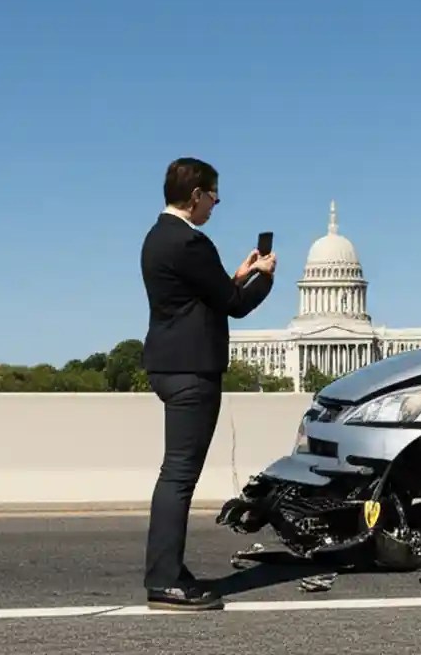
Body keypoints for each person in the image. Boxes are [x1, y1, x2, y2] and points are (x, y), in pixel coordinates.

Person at [138, 157, 276, 610]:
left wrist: (236, 275)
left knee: (173, 472)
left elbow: (203, 294)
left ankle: (168, 571)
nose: (216, 203)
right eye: (214, 194)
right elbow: (233, 305)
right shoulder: (192, 243)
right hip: (193, 370)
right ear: (195, 195)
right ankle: (164, 580)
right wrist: (263, 280)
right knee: (179, 475)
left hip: (166, 362)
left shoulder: (157, 238)